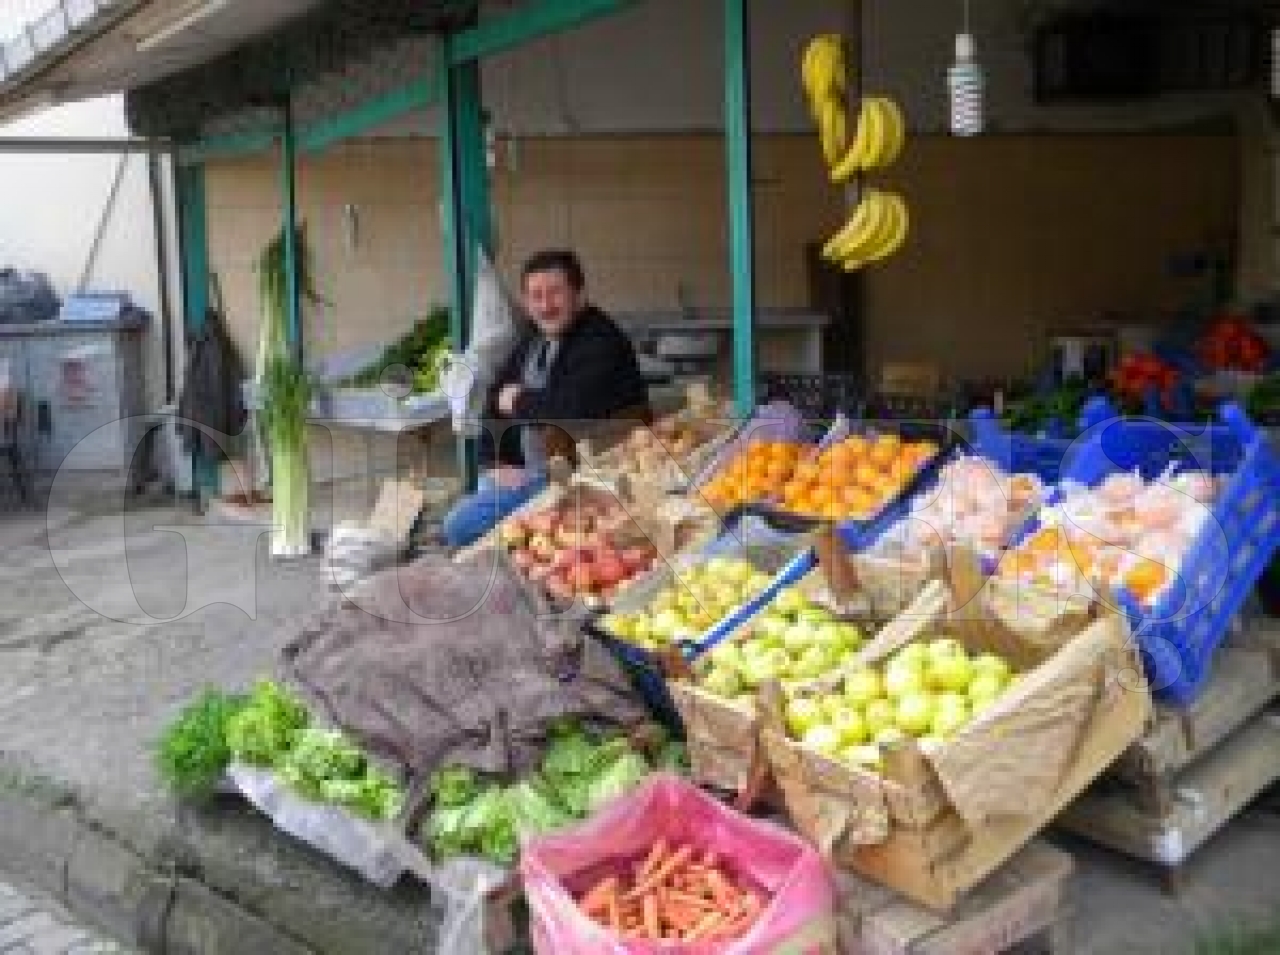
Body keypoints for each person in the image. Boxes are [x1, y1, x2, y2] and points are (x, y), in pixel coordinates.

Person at [442, 249, 651, 548]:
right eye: (535, 296)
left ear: (579, 295)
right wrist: (495, 461)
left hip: (576, 474)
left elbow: (571, 409)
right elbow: (493, 399)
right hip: (531, 470)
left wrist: (518, 401)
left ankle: (527, 537)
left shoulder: (600, 339)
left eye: (555, 293)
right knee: (487, 483)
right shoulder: (533, 338)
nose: (545, 305)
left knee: (458, 525)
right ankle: (524, 538)